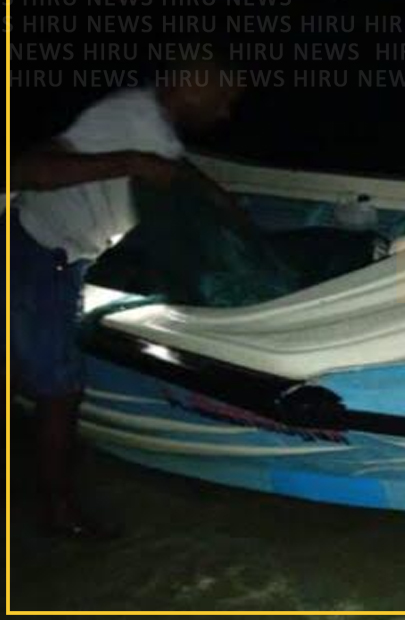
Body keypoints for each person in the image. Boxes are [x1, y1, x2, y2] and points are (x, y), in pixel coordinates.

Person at [10, 59, 244, 538]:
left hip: (65, 258)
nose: (224, 113)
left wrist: (218, 197)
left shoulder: (155, 125)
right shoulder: (124, 115)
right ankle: (58, 513)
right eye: (222, 98)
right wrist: (130, 164)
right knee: (61, 391)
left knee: (49, 377)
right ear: (190, 85)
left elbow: (173, 164)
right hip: (40, 251)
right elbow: (27, 168)